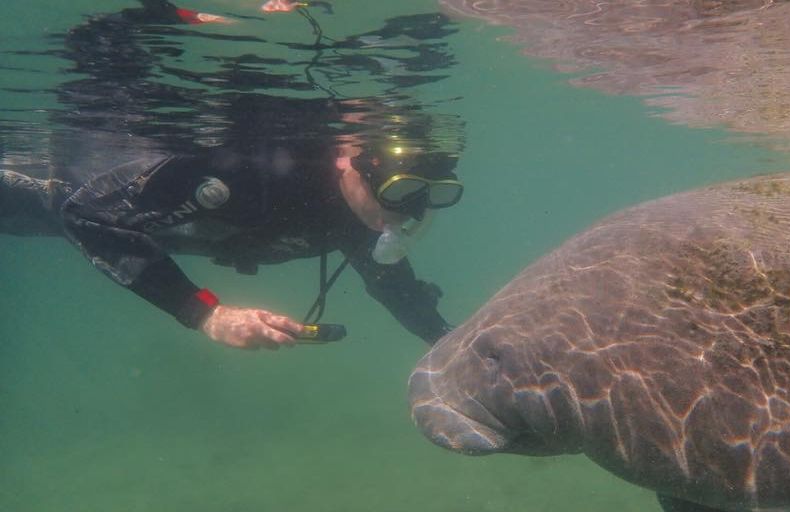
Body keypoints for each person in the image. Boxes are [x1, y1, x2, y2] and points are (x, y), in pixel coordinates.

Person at [0, 2, 463, 350]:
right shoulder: (255, 171)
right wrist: (207, 315)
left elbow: (392, 284)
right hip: (34, 194)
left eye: (431, 196)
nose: (406, 214)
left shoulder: (366, 216)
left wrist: (453, 345)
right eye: (397, 192)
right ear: (348, 159)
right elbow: (87, 215)